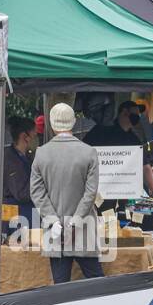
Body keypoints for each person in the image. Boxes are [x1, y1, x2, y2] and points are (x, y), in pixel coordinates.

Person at [29, 103, 102, 283]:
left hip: (55, 230)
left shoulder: (41, 153)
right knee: (97, 282)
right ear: (74, 121)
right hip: (83, 227)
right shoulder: (89, 153)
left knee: (60, 286)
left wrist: (53, 221)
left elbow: (37, 192)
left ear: (52, 124)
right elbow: (90, 193)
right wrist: (76, 221)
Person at [2, 115, 36, 224]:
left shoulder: (28, 156)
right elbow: (21, 193)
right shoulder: (10, 160)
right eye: (35, 135)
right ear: (25, 136)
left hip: (30, 213)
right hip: (16, 215)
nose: (37, 138)